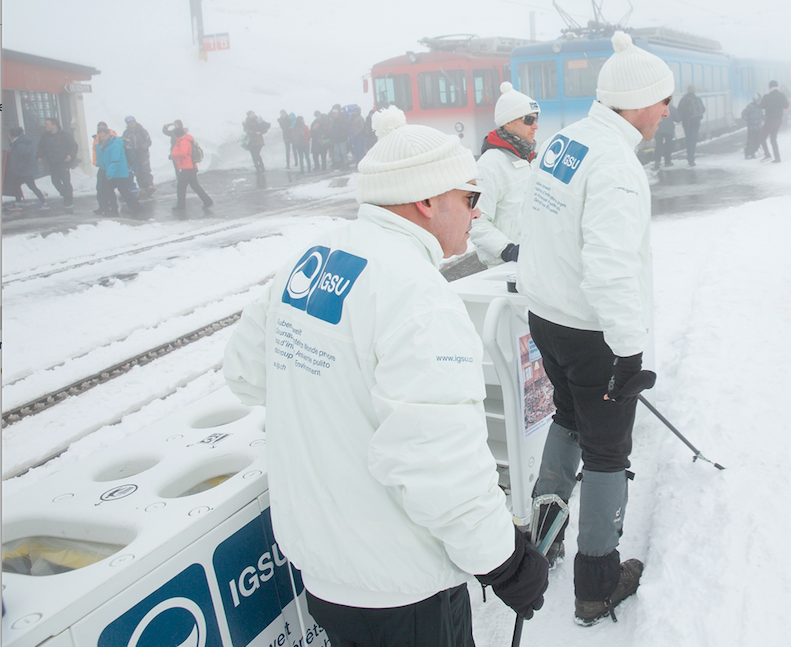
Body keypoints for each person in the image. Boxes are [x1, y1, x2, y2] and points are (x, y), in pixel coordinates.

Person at [222, 105, 548, 646]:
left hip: (325, 573)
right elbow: (439, 465)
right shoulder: (419, 299)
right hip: (404, 589)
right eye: (470, 198)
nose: (476, 213)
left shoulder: (313, 259)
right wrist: (507, 562)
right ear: (426, 200)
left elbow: (245, 375)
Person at [518, 30, 669, 627]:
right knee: (608, 449)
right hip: (592, 332)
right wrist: (628, 354)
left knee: (568, 418)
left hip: (548, 319)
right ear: (636, 103)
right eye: (662, 100)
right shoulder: (617, 168)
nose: (665, 112)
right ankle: (597, 583)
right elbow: (610, 268)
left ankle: (542, 539)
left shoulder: (567, 142)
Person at [471, 82, 539, 267]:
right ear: (508, 122)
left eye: (536, 119)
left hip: (534, 263)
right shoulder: (489, 165)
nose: (535, 126)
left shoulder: (531, 161)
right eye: (528, 120)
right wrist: (509, 250)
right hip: (504, 267)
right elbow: (476, 222)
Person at [95, 125, 143, 216]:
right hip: (113, 172)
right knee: (112, 192)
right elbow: (102, 161)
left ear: (108, 134)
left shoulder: (115, 145)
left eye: (103, 136)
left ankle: (136, 208)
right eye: (100, 137)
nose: (102, 138)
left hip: (119, 173)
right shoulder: (105, 145)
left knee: (124, 192)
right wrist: (100, 148)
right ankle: (119, 209)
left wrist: (109, 174)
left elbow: (115, 161)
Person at [168, 120, 213, 211]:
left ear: (177, 135)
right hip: (190, 167)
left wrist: (172, 155)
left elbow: (183, 153)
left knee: (181, 187)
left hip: (187, 168)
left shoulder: (183, 141)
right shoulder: (186, 139)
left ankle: (181, 206)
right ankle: (207, 201)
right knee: (194, 186)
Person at [37, 117, 78, 211]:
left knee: (66, 181)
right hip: (52, 163)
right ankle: (65, 194)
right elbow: (41, 147)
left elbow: (73, 146)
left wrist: (70, 155)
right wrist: (39, 156)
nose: (45, 126)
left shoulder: (64, 135)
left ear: (54, 125)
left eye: (47, 124)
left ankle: (68, 200)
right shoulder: (45, 135)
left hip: (63, 162)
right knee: (55, 181)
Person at [6, 127, 48, 211]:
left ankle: (44, 203)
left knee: (31, 186)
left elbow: (25, 155)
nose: (8, 137)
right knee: (17, 185)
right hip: (23, 171)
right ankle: (18, 204)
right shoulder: (19, 143)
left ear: (13, 136)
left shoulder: (20, 144)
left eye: (9, 135)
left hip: (24, 171)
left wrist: (20, 167)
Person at [122, 116, 155, 197]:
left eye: (133, 122)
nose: (132, 124)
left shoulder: (142, 131)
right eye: (130, 123)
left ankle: (149, 185)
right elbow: (125, 143)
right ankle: (142, 187)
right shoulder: (126, 133)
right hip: (133, 155)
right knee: (137, 171)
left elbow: (148, 141)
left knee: (145, 169)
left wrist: (143, 146)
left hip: (143, 153)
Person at [759, 80, 790, 163]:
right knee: (773, 139)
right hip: (779, 120)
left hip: (770, 120)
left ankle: (767, 155)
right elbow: (786, 105)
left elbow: (761, 106)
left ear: (770, 87)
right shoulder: (782, 95)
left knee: (762, 137)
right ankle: (777, 158)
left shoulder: (767, 96)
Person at [677, 85, 705, 167]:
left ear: (687, 90)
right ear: (694, 91)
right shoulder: (697, 99)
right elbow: (703, 109)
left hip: (687, 124)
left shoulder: (684, 99)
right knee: (693, 141)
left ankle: (689, 158)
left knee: (688, 140)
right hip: (696, 123)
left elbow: (679, 110)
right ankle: (691, 159)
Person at [653, 96, 678, 169]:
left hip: (658, 129)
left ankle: (657, 162)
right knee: (668, 146)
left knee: (658, 146)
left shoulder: (656, 108)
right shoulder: (671, 108)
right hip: (668, 130)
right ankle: (667, 162)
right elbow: (677, 119)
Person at [741, 93, 767, 160]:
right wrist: (747, 119)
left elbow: (761, 116)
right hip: (751, 128)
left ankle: (753, 152)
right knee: (750, 141)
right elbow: (743, 113)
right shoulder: (750, 106)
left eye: (760, 101)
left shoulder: (760, 107)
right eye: (758, 101)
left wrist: (767, 119)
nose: (759, 102)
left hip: (758, 128)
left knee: (758, 141)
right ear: (754, 101)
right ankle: (747, 153)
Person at [329, 104, 349, 169]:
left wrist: (341, 136)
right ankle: (337, 163)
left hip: (342, 139)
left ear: (338, 113)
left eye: (335, 113)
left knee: (343, 151)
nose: (334, 115)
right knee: (336, 152)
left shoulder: (341, 120)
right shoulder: (333, 121)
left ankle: (346, 162)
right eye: (333, 113)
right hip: (336, 139)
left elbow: (344, 130)